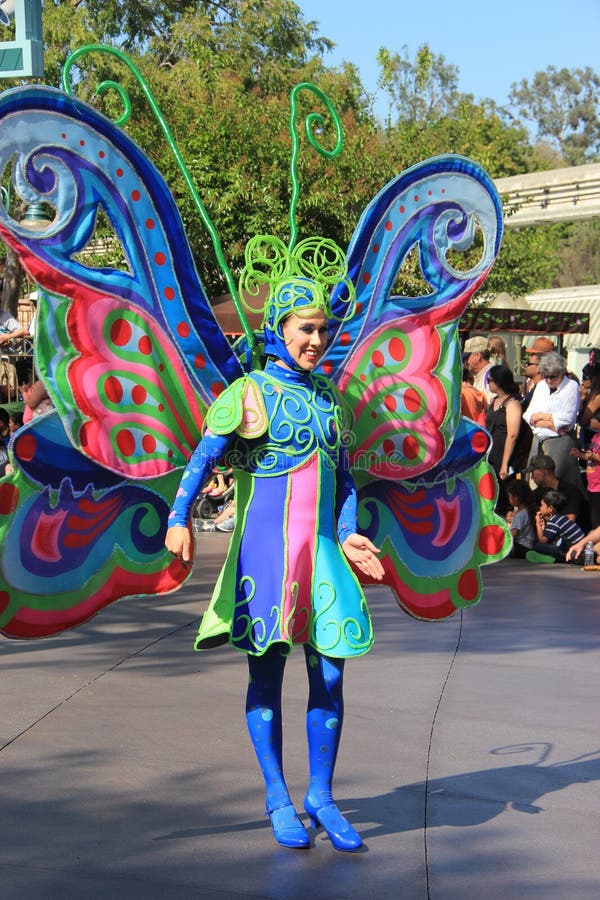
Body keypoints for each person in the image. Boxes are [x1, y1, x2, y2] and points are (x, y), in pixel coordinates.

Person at [165, 243, 384, 852]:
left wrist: (347, 531)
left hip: (322, 557)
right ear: (278, 329)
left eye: (322, 329)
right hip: (266, 559)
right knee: (267, 673)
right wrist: (178, 515)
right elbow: (202, 456)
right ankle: (277, 796)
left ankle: (322, 794)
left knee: (332, 675)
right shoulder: (247, 393)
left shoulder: (328, 402)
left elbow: (343, 480)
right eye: (305, 328)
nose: (316, 340)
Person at [522, 351, 582, 483]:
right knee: (533, 482)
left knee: (557, 481)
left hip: (559, 442)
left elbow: (567, 419)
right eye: (546, 376)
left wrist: (542, 416)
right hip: (538, 440)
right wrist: (550, 423)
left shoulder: (571, 386)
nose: (549, 380)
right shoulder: (541, 386)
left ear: (561, 373)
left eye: (553, 377)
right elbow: (528, 414)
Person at [485, 365, 523, 513]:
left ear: (499, 382)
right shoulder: (494, 401)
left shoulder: (512, 404)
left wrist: (504, 464)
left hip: (504, 455)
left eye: (490, 380)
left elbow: (512, 435)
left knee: (505, 497)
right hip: (491, 454)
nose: (488, 383)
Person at [526, 490, 585, 564]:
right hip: (579, 548)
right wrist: (543, 527)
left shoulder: (554, 521)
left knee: (537, 545)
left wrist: (537, 523)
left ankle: (555, 558)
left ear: (550, 508)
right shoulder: (561, 518)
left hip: (572, 551)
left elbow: (542, 540)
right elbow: (550, 537)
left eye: (542, 505)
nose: (540, 508)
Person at [526, 453, 584, 526]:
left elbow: (570, 520)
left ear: (543, 472)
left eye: (532, 473)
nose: (532, 477)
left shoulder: (570, 490)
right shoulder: (535, 494)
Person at [505, 478, 536, 558]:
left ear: (516, 498)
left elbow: (513, 535)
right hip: (530, 546)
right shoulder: (527, 511)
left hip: (521, 548)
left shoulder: (519, 515)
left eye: (509, 496)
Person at [463, 335, 493, 402]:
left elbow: (492, 406)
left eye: (467, 358)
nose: (465, 362)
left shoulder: (491, 375)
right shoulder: (484, 374)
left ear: (478, 356)